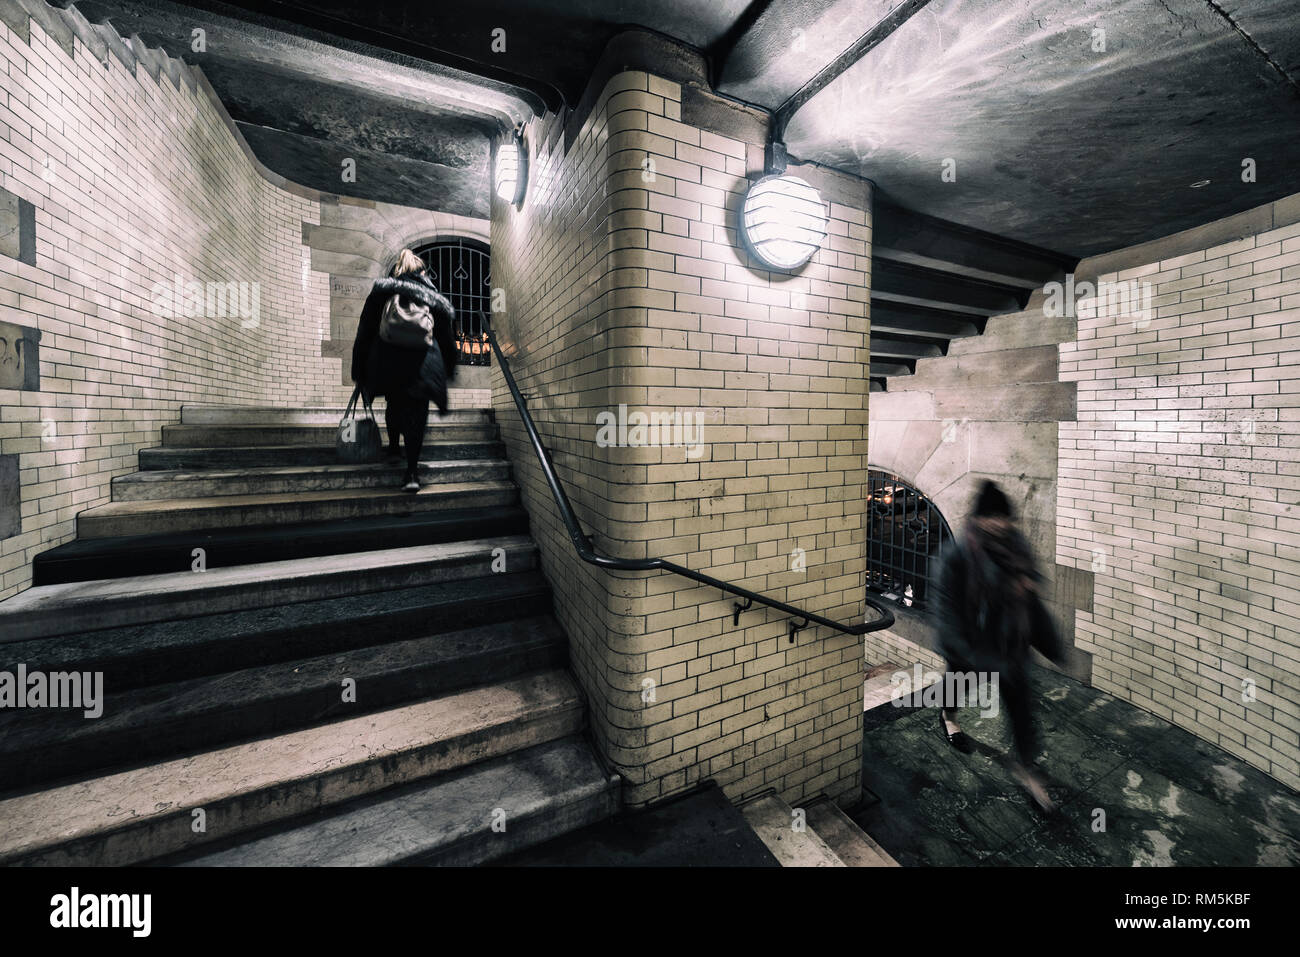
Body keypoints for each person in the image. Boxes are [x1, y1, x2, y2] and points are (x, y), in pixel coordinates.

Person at [932, 480, 1065, 814]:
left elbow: (1032, 587)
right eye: (991, 517)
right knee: (957, 685)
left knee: (1022, 708)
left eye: (1004, 517)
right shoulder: (956, 555)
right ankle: (948, 717)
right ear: (977, 519)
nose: (999, 524)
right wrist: (961, 649)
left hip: (1011, 644)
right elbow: (946, 607)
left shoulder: (1016, 545)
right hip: (972, 644)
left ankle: (1029, 770)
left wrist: (1026, 589)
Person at [351, 249, 457, 492]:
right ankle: (411, 472)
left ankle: (394, 448)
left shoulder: (383, 291)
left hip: (389, 362)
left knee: (395, 404)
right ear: (422, 272)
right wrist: (448, 368)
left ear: (397, 270)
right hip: (423, 364)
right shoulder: (433, 295)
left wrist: (359, 369)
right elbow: (446, 337)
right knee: (417, 415)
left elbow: (365, 331)